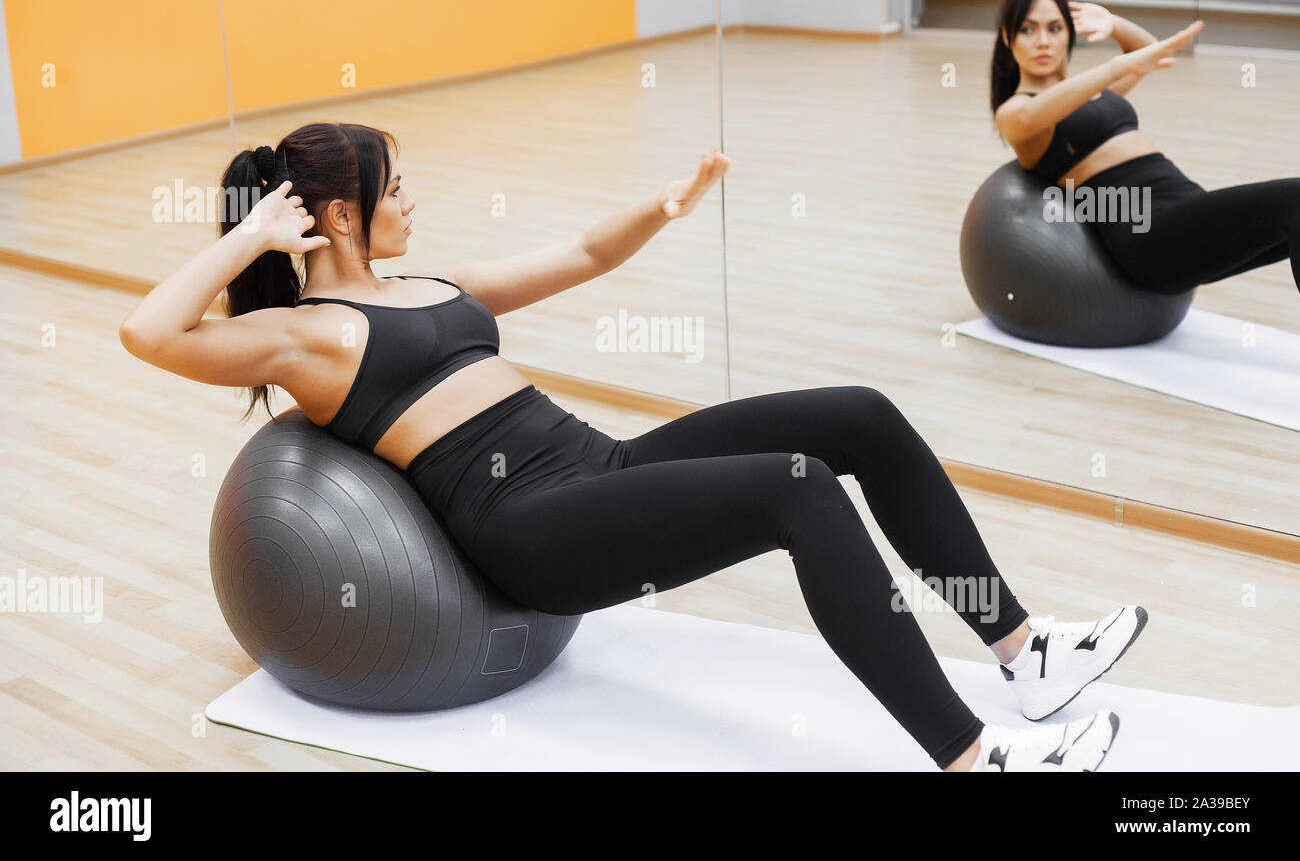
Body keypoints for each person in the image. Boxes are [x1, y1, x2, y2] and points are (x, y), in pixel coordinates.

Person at [120, 121, 1146, 771]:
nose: (411, 201)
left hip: (596, 466)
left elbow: (574, 254)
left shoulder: (428, 285)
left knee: (858, 414)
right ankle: (973, 759)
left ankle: (1026, 652)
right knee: (799, 491)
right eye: (395, 189)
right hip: (526, 530)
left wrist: (658, 210)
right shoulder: (308, 335)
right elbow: (152, 332)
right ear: (341, 214)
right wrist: (250, 239)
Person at [991, 0, 1300, 297]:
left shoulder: (1095, 93)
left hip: (1185, 209)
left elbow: (1149, 53)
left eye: (1055, 28)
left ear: (1070, 32)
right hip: (1148, 233)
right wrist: (1114, 66)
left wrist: (1113, 24)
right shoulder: (1016, 111)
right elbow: (1032, 115)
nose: (1043, 41)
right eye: (1028, 29)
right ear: (1007, 37)